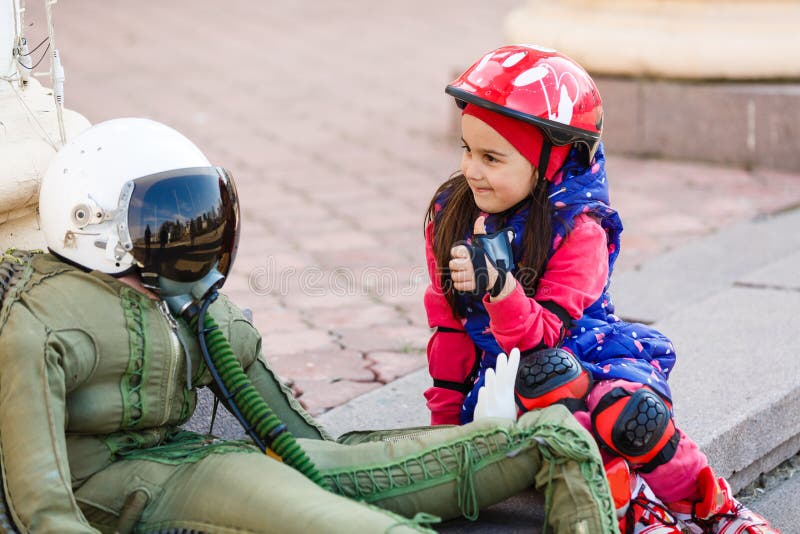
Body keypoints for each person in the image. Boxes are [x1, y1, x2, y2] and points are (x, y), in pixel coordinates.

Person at [0, 118, 618, 533]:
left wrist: (471, 443)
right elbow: (43, 509)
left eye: (198, 215)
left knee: (552, 437)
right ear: (90, 225)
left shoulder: (197, 311)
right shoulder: (43, 325)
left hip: (225, 462)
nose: (189, 235)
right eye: (164, 220)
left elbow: (303, 442)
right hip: (131, 487)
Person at [423, 44, 778, 533]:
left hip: (583, 350)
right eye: (466, 149)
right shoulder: (453, 216)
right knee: (547, 383)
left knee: (627, 412)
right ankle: (638, 513)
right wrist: (443, 434)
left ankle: (713, 509)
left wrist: (501, 289)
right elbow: (449, 326)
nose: (471, 170)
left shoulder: (580, 229)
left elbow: (546, 337)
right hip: (505, 377)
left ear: (553, 160)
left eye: (491, 157)